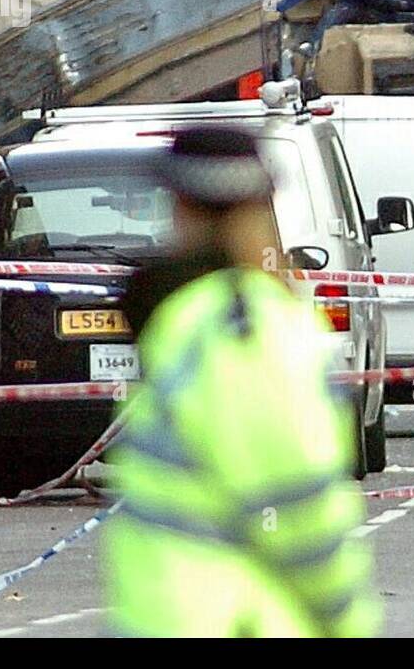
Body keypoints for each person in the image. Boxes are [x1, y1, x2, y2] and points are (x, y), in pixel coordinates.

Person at [104, 127, 380, 638]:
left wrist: (343, 623)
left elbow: (295, 500)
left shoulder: (234, 330)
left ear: (181, 203)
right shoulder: (222, 318)